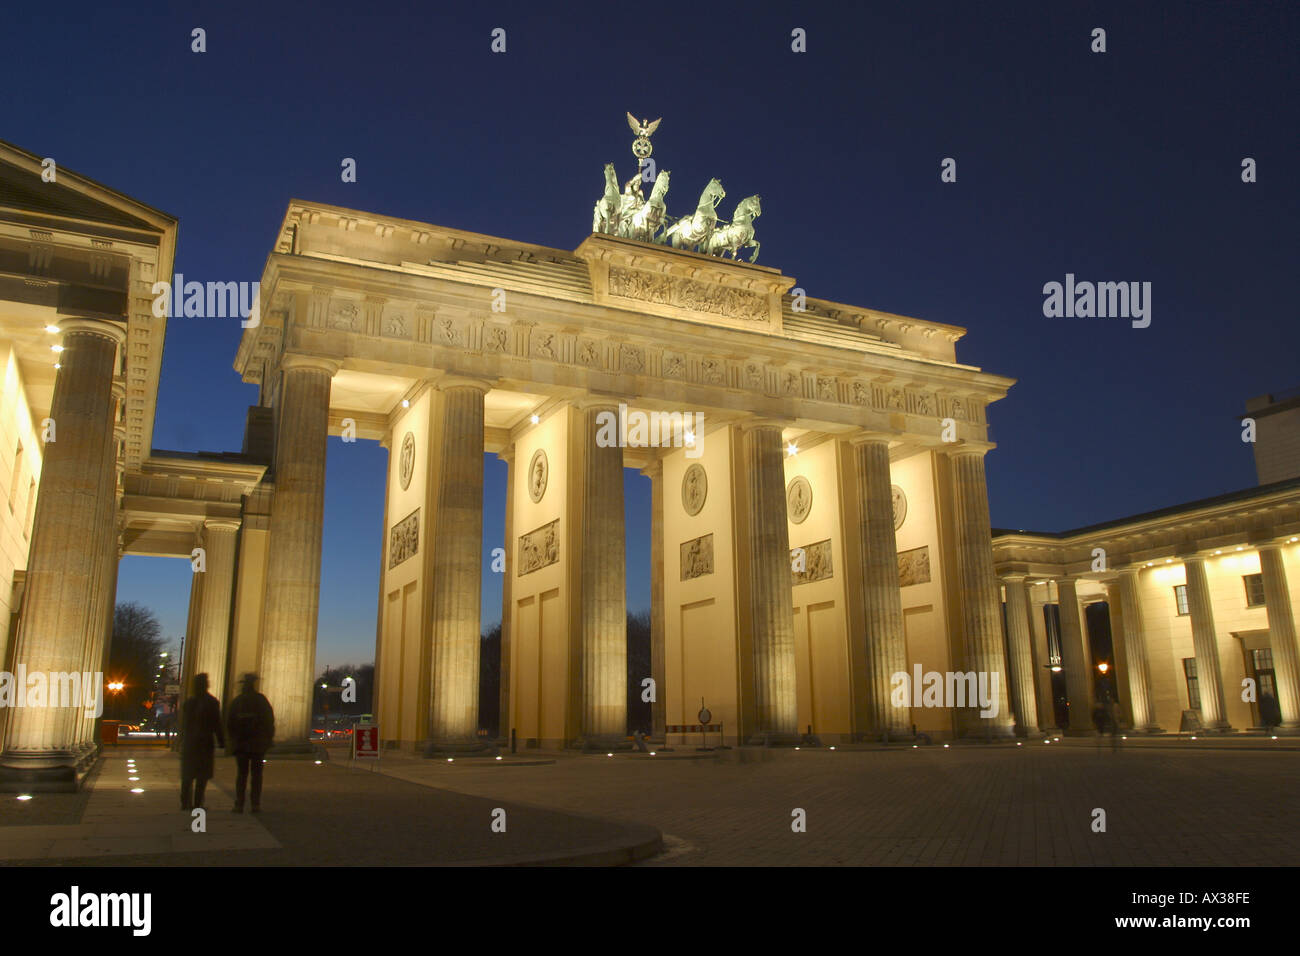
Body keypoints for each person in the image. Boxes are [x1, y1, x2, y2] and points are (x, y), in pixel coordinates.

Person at [226, 673, 275, 813]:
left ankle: (239, 803)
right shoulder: (261, 700)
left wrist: (232, 740)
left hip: (241, 743)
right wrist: (268, 739)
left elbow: (230, 723)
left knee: (241, 774)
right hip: (257, 744)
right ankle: (255, 804)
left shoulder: (237, 701)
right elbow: (269, 721)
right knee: (257, 775)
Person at [180, 673, 224, 811]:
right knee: (201, 776)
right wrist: (222, 741)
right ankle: (198, 803)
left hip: (190, 742)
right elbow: (217, 724)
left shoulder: (189, 703)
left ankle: (185, 802)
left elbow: (185, 724)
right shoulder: (212, 702)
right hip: (204, 743)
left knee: (188, 775)